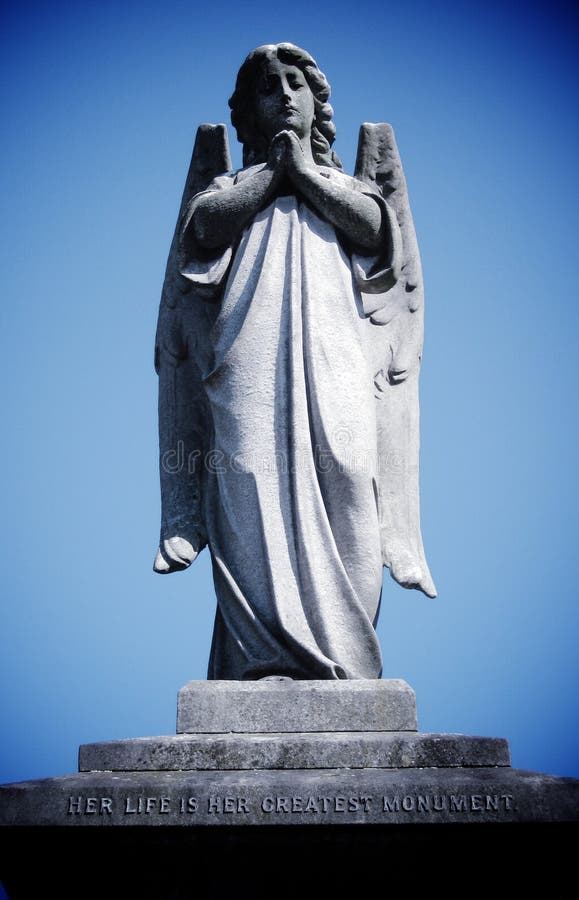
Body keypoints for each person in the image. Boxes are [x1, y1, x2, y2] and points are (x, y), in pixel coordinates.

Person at [154, 43, 434, 680]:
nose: (284, 94)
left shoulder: (345, 186)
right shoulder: (229, 188)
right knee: (245, 474)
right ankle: (259, 659)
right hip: (247, 356)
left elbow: (371, 224)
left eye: (296, 84)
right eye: (268, 87)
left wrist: (301, 172)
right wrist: (269, 174)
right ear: (248, 113)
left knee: (349, 468)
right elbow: (201, 226)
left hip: (335, 354)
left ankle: (346, 653)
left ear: (316, 104)